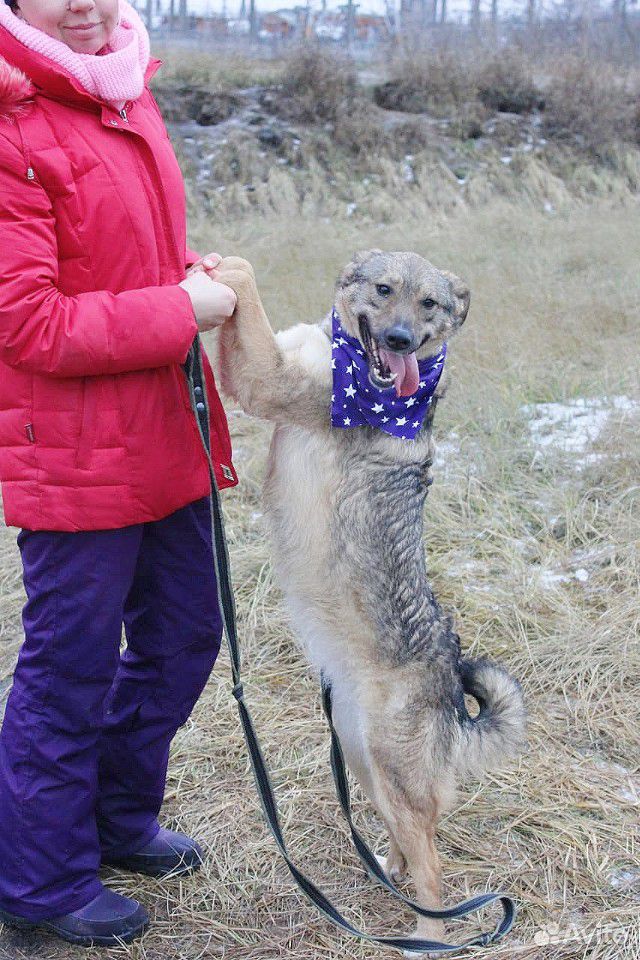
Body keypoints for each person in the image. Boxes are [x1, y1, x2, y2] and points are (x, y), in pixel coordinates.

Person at [0, 0, 240, 946]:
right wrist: (179, 305)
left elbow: (128, 261)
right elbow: (30, 323)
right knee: (69, 668)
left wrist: (185, 273)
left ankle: (111, 818)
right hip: (72, 453)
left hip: (164, 431)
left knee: (185, 636)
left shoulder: (127, 94)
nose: (90, 5)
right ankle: (39, 878)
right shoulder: (11, 121)